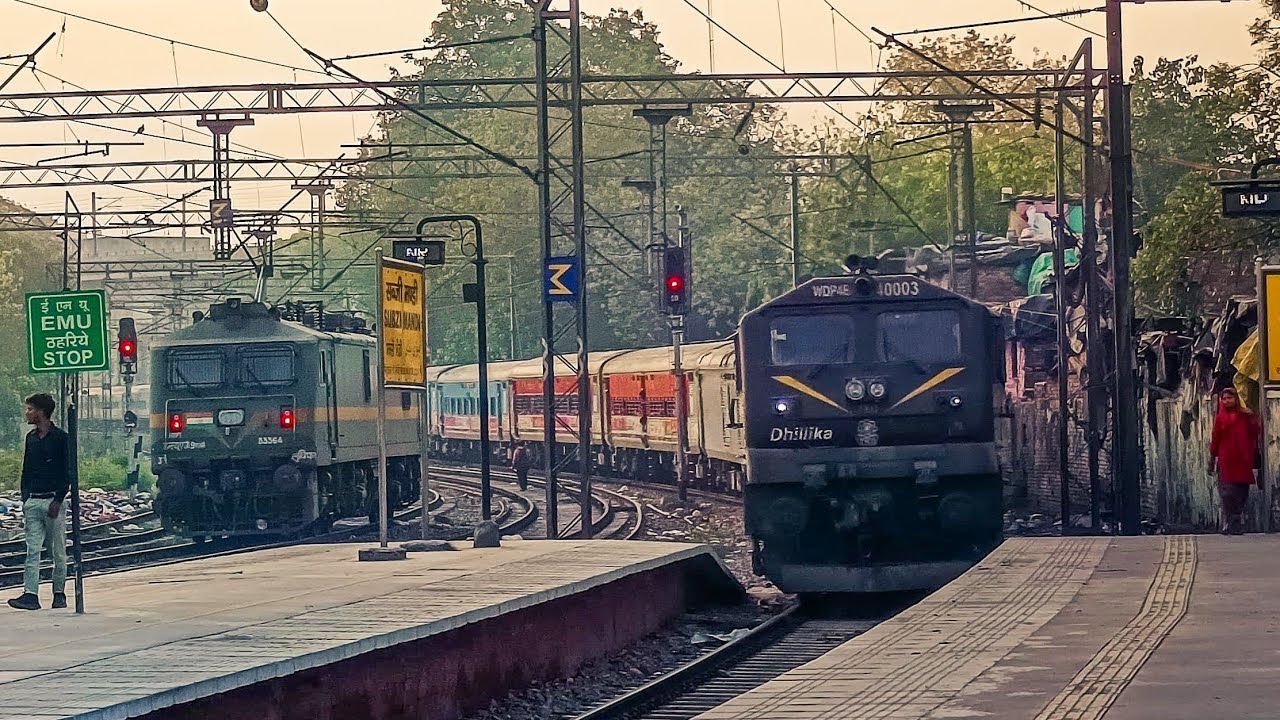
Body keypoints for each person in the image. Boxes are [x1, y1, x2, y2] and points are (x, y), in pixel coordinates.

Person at [9, 393, 69, 610]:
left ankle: (59, 593)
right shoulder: (31, 438)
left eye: (30, 409)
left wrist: (59, 499)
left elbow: (67, 472)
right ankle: (31, 595)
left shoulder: (61, 438)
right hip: (33, 501)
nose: (27, 413)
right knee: (32, 550)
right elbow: (27, 469)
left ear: (42, 412)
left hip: (54, 501)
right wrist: (25, 498)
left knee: (57, 551)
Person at [1208, 387, 1259, 535]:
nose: (1227, 401)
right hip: (1226, 460)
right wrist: (1212, 458)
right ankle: (1230, 521)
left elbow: (1255, 431)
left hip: (1243, 459)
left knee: (1242, 492)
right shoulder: (1220, 418)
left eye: (1230, 398)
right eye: (1224, 398)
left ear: (1236, 399)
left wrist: (1252, 417)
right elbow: (1215, 439)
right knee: (1227, 492)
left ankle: (1236, 522)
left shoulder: (1244, 416)